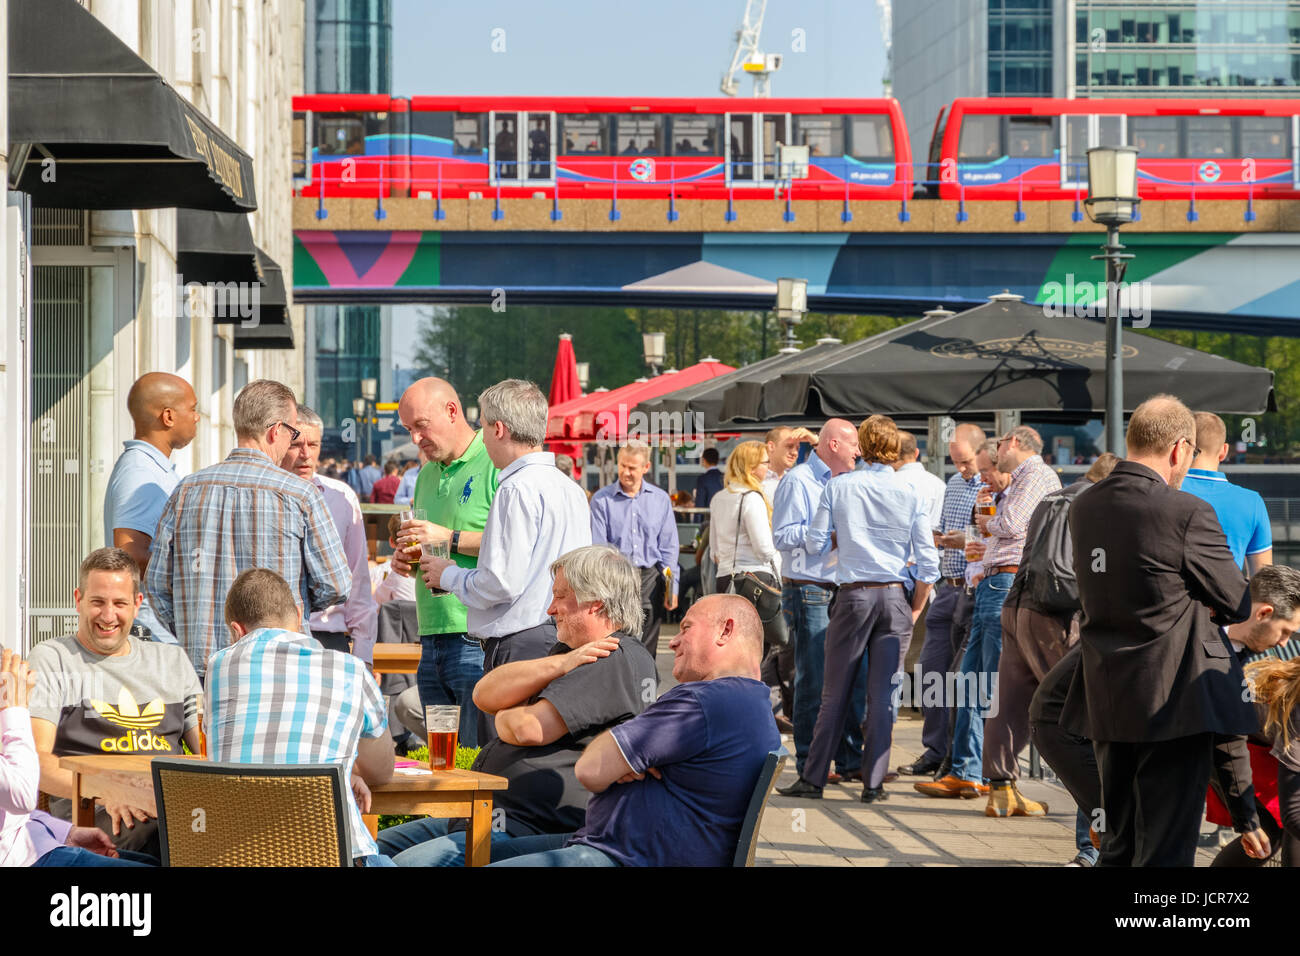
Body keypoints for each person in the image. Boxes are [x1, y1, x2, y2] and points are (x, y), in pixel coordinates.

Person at [1059, 394, 1255, 867]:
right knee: (1166, 849)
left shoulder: (1084, 506)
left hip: (1108, 696)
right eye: (1188, 457)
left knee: (1119, 844)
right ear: (1179, 449)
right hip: (1172, 703)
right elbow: (1238, 602)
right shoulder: (1185, 511)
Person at [377, 546, 657, 866]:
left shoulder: (611, 657)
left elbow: (527, 729)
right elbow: (484, 695)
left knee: (407, 863)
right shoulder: (572, 652)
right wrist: (561, 663)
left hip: (526, 827)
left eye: (561, 596)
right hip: (488, 817)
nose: (550, 609)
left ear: (595, 602)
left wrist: (508, 711)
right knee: (369, 846)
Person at [489, 594, 780, 867]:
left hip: (626, 856)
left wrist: (626, 755)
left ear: (725, 631)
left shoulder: (702, 700)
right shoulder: (754, 703)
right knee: (475, 853)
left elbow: (590, 769)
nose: (673, 642)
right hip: (619, 846)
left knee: (460, 856)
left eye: (686, 628)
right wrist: (632, 756)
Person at [779, 415, 939, 803]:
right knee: (883, 695)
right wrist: (915, 608)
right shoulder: (910, 490)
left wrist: (845, 535)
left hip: (852, 595)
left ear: (863, 446)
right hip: (894, 596)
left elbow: (816, 543)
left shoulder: (840, 486)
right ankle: (873, 783)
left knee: (834, 692)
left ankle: (813, 777)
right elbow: (929, 563)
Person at [420, 380, 591, 743]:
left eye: (482, 426)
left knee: (502, 755)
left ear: (498, 429)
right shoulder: (570, 489)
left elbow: (500, 583)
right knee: (541, 745)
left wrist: (448, 575)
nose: (482, 436)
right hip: (558, 632)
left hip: (520, 640)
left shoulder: (514, 488)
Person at [146, 379, 351, 680]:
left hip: (204, 668)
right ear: (274, 431)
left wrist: (191, 628)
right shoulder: (300, 495)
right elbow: (337, 585)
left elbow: (156, 585)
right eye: (293, 433)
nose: (292, 442)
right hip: (280, 666)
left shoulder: (187, 491)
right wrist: (294, 604)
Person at [206, 568, 395, 867]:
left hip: (238, 856)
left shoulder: (218, 666)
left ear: (236, 631)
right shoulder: (350, 669)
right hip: (333, 855)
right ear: (298, 614)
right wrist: (344, 772)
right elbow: (382, 772)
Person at [28, 548, 202, 860]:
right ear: (78, 599)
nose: (108, 616)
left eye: (119, 603)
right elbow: (36, 764)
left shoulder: (171, 660)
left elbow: (208, 752)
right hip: (97, 813)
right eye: (97, 602)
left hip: (170, 804)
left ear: (137, 604)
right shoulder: (54, 658)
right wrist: (108, 788)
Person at [917, 425, 1060, 800]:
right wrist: (987, 531)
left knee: (989, 682)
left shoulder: (1035, 475)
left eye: (994, 455)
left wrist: (987, 524)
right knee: (972, 679)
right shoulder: (1022, 480)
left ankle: (983, 772)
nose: (990, 467)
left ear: (1013, 443)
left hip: (1004, 584)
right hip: (992, 583)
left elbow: (1010, 525)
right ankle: (968, 769)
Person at [980, 452, 1118, 818]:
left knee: (1008, 699)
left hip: (1016, 602)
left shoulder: (1052, 497)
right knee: (1072, 701)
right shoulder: (1096, 502)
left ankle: (1000, 789)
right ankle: (1092, 804)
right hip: (1054, 610)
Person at [392, 377, 499, 748]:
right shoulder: (424, 474)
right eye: (409, 430)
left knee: (475, 761)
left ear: (452, 411)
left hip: (475, 635)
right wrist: (407, 556)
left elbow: (512, 546)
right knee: (446, 767)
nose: (415, 439)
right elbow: (428, 540)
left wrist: (447, 538)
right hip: (431, 634)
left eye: (420, 426)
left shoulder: (494, 462)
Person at [772, 419, 868, 785]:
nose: (858, 452)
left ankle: (848, 760)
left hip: (840, 588)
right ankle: (811, 765)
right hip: (809, 588)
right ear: (831, 445)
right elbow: (781, 536)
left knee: (849, 677)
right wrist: (828, 535)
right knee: (813, 681)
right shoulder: (798, 481)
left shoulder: (844, 482)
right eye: (853, 444)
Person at [1, 648, 151, 867]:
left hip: (37, 844)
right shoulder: (13, 715)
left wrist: (67, 833)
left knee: (160, 859)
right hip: (21, 860)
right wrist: (15, 710)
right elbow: (21, 794)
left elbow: (9, 809)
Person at [897, 423, 985, 777]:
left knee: (963, 677)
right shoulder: (953, 484)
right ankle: (935, 749)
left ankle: (960, 758)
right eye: (956, 463)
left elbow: (997, 535)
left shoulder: (991, 486)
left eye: (965, 462)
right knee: (932, 671)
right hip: (946, 586)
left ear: (981, 453)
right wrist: (934, 539)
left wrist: (961, 540)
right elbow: (946, 528)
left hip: (971, 587)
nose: (961, 469)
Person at [1207, 565, 1300, 867]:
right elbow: (1294, 811)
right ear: (1263, 613)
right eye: (1285, 632)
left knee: (1266, 833)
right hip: (1242, 750)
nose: (1286, 643)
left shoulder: (1234, 648)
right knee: (1269, 830)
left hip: (1250, 746)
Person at [102, 372, 200, 644]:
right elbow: (128, 553)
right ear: (168, 416)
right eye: (192, 409)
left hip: (159, 626)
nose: (196, 417)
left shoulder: (153, 467)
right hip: (149, 629)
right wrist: (193, 572)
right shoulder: (139, 470)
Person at [279, 406, 379, 661]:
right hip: (276, 637)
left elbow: (358, 579)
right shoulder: (263, 495)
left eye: (313, 444)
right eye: (296, 444)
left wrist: (364, 654)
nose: (306, 454)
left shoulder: (342, 497)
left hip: (328, 637)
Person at [590, 441, 679, 660]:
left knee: (648, 644)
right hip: (617, 578)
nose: (626, 472)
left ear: (646, 467)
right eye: (622, 466)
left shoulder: (660, 500)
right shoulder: (602, 500)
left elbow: (668, 548)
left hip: (650, 577)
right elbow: (599, 548)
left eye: (632, 468)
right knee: (616, 640)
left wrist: (671, 587)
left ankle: (645, 690)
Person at [1182, 411, 1272, 573]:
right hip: (1228, 597)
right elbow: (1263, 580)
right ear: (1224, 451)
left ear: (1182, 447)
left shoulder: (1162, 490)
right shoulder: (1252, 502)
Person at [761, 426, 816, 506]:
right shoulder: (753, 480)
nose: (795, 453)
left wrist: (815, 441)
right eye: (789, 446)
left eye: (797, 448)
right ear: (771, 446)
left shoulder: (798, 479)